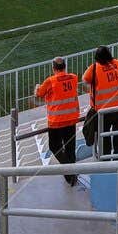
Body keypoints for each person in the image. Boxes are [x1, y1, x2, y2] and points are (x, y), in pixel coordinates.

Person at [35, 57, 81, 185]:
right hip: (71, 119)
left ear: (53, 68)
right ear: (65, 66)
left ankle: (69, 172)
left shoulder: (50, 81)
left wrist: (37, 88)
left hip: (56, 121)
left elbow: (39, 94)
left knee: (54, 146)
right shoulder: (73, 77)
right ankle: (71, 175)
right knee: (70, 148)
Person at [82, 46, 118, 157]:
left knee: (104, 135)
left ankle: (106, 158)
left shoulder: (93, 68)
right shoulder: (117, 63)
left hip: (105, 110)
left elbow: (85, 79)